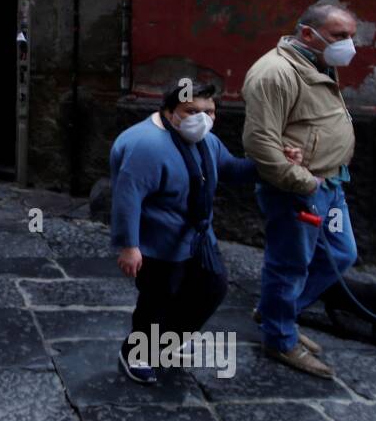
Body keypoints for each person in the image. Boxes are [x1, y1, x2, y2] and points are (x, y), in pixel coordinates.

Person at [109, 80, 302, 384]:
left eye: (209, 111)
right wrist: (129, 245)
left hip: (197, 239)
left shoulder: (206, 142)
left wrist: (277, 163)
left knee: (212, 288)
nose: (202, 118)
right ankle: (136, 352)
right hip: (158, 241)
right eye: (191, 111)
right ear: (170, 111)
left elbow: (231, 169)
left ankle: (165, 343)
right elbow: (127, 197)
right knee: (158, 299)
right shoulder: (146, 146)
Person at [242, 2, 360, 379]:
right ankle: (280, 339)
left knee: (342, 254)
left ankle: (276, 311)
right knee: (290, 264)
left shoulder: (318, 63)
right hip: (299, 189)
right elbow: (260, 142)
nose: (349, 45)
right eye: (340, 36)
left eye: (352, 36)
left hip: (332, 184)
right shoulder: (275, 73)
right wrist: (302, 182)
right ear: (308, 34)